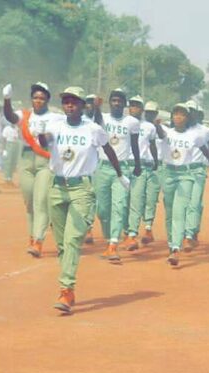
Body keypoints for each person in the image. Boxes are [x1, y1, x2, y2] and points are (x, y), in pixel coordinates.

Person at [43, 87, 125, 313]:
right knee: (61, 244)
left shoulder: (93, 129)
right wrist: (42, 138)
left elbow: (108, 150)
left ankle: (66, 289)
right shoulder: (55, 125)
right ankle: (67, 282)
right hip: (57, 186)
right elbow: (45, 143)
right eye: (66, 101)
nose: (70, 105)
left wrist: (120, 174)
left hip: (81, 189)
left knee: (72, 240)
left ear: (82, 106)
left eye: (74, 102)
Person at [3, 82, 65, 257]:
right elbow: (9, 116)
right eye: (35, 97)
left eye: (42, 98)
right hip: (26, 159)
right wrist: (6, 99)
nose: (38, 100)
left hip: (45, 160)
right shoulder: (25, 116)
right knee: (29, 203)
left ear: (47, 99)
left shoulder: (55, 117)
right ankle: (32, 237)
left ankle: (38, 241)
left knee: (41, 201)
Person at [157, 103, 209, 266]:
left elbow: (205, 149)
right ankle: (171, 242)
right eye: (176, 114)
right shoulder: (167, 132)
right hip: (168, 173)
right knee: (169, 211)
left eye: (182, 114)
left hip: (185, 175)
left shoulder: (194, 135)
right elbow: (160, 134)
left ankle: (175, 248)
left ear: (187, 118)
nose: (178, 117)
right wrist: (156, 125)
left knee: (179, 210)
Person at [93, 88, 141, 262]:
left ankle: (113, 244)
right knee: (103, 210)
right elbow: (96, 121)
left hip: (122, 169)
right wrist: (96, 107)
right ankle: (108, 240)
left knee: (119, 206)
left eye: (120, 101)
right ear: (109, 102)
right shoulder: (103, 118)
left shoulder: (132, 122)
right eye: (113, 100)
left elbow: (135, 144)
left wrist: (137, 164)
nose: (116, 103)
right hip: (103, 168)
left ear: (124, 104)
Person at [123, 96, 160, 251]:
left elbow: (152, 146)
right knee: (123, 201)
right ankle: (126, 231)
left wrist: (156, 161)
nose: (134, 108)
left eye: (137, 106)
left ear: (142, 109)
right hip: (124, 165)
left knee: (137, 201)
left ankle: (132, 234)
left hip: (142, 167)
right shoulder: (121, 123)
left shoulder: (149, 127)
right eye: (131, 105)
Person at [183, 102, 209, 251]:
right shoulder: (179, 130)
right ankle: (188, 231)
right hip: (181, 171)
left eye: (192, 111)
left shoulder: (205, 131)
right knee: (184, 204)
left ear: (197, 114)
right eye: (187, 110)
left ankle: (189, 235)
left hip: (198, 169)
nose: (189, 113)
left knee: (194, 202)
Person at [0, 120, 21, 187]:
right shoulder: (7, 128)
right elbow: (3, 139)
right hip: (9, 144)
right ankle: (6, 179)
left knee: (13, 162)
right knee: (8, 162)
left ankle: (10, 179)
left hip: (15, 145)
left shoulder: (16, 128)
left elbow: (18, 137)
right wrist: (3, 149)